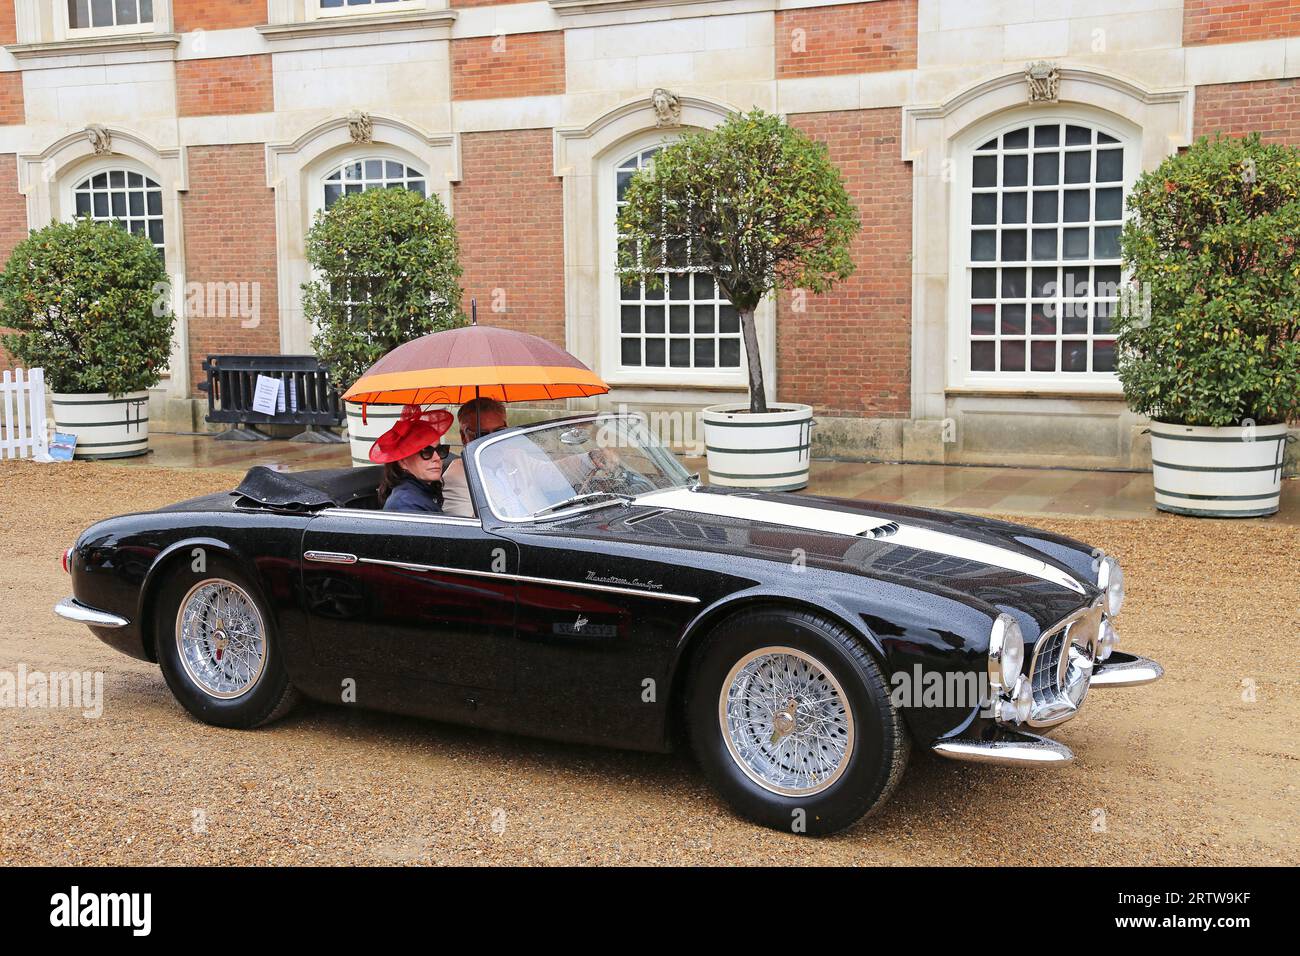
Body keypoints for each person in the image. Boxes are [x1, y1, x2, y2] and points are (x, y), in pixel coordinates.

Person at [369, 405, 455, 513]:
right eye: (426, 452)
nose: (437, 458)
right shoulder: (406, 505)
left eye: (440, 449)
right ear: (403, 462)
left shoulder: (421, 492)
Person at [441, 397, 509, 517]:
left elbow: (552, 474)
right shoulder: (458, 477)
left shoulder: (518, 457)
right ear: (464, 437)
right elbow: (463, 530)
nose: (492, 440)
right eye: (481, 435)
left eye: (499, 431)